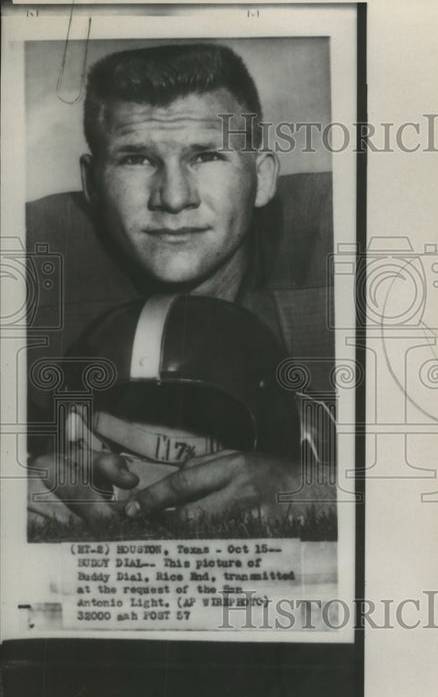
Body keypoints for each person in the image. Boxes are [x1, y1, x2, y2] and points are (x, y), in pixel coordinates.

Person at [27, 42, 336, 535]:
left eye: (207, 155)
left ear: (262, 177)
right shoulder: (29, 255)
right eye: (136, 159)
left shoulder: (346, 236)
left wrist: (319, 486)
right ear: (91, 183)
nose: (173, 198)